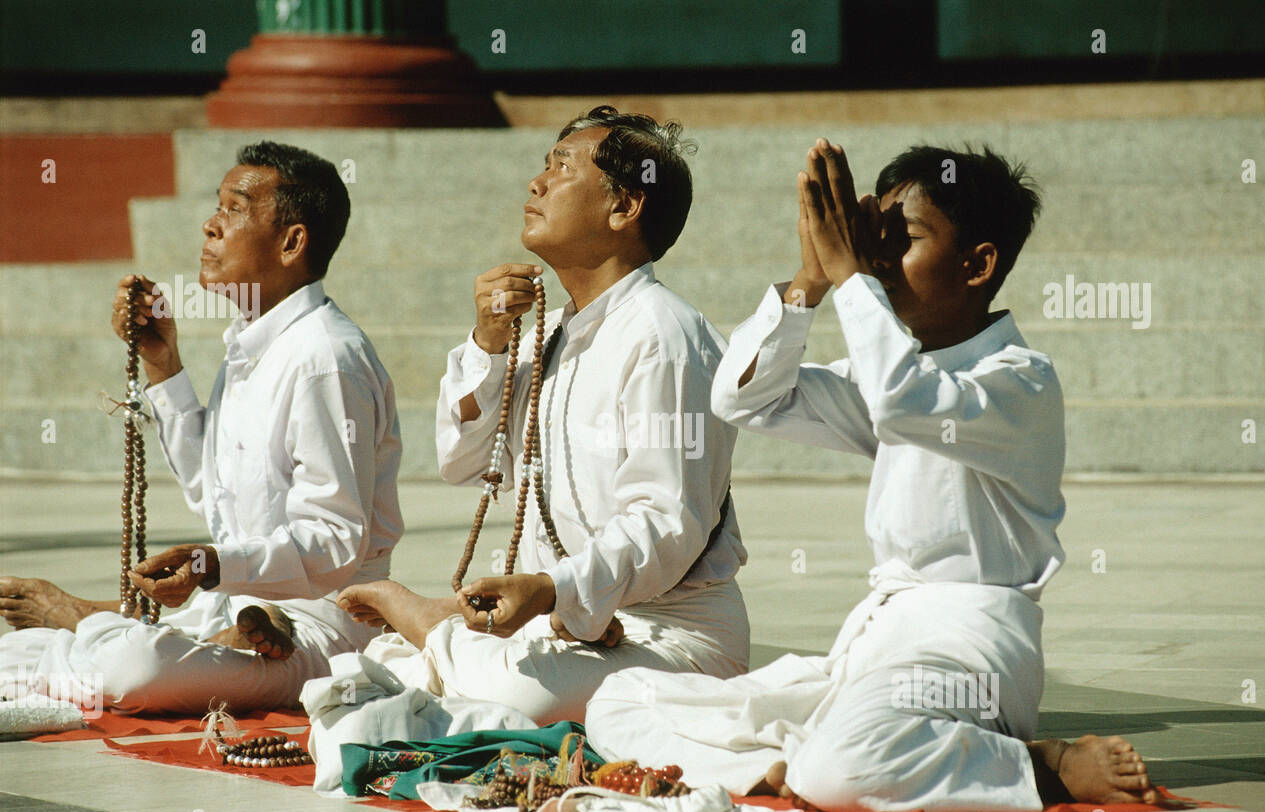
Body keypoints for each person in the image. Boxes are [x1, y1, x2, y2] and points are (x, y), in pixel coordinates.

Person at [583, 140, 1161, 812]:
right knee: (620, 699)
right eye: (871, 238)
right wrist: (811, 282)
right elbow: (743, 399)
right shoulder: (897, 375)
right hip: (869, 655)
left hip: (967, 654)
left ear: (978, 264)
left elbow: (902, 400)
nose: (879, 259)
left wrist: (853, 278)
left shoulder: (1018, 384)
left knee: (844, 767)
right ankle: (796, 764)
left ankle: (1042, 765)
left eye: (901, 238)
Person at [336, 106, 748, 727]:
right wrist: (486, 344)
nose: (537, 183)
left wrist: (554, 590)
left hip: (669, 634)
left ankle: (432, 624)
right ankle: (442, 637)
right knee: (363, 676)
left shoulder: (666, 336)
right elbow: (465, 462)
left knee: (519, 696)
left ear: (624, 208)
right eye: (543, 166)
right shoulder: (551, 333)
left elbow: (668, 522)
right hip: (567, 625)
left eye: (561, 168)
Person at [0, 141, 403, 715]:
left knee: (136, 670)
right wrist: (164, 364)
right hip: (231, 611)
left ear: (291, 243)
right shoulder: (253, 344)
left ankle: (89, 621)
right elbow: (210, 491)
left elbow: (337, 542)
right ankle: (124, 632)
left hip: (317, 628)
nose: (211, 225)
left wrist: (212, 566)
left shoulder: (324, 358)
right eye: (217, 206)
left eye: (234, 209)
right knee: (15, 653)